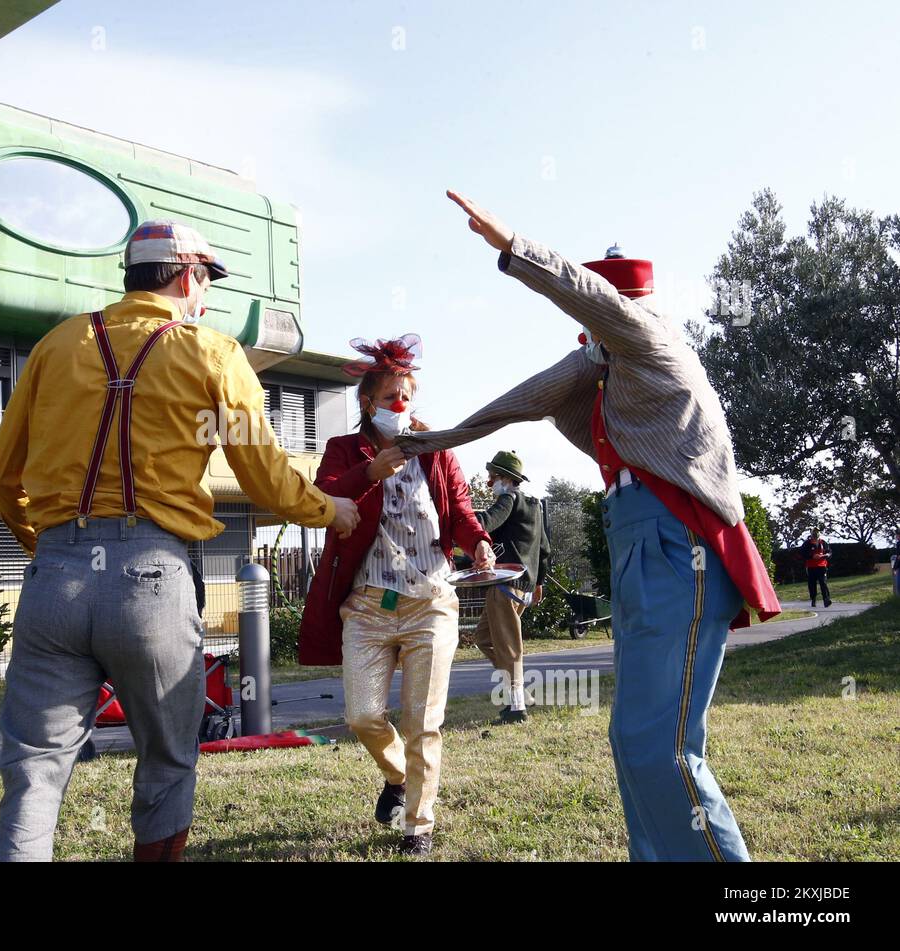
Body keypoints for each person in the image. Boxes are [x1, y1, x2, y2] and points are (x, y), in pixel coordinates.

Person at [397, 191, 781, 862]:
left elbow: (588, 298)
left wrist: (514, 246)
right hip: (637, 543)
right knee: (631, 739)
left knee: (661, 743)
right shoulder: (604, 363)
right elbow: (524, 399)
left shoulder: (648, 337)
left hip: (676, 545)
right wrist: (433, 442)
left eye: (600, 318)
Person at [0, 219, 360, 862]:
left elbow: (0, 480)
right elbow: (265, 480)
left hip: (55, 576)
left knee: (34, 774)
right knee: (166, 760)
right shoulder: (212, 351)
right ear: (188, 275)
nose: (206, 298)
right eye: (207, 283)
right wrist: (331, 511)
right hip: (152, 578)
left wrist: (45, 546)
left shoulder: (57, 344)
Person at [298, 334, 494, 856]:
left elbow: (462, 509)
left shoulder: (436, 450)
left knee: (422, 721)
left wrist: (478, 544)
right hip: (367, 605)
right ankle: (395, 776)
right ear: (367, 402)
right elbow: (326, 496)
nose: (401, 405)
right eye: (390, 397)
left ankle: (418, 825)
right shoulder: (345, 449)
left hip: (431, 599)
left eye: (407, 395)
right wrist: (370, 471)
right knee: (361, 716)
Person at [473, 450, 551, 724]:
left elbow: (487, 521)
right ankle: (519, 690)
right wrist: (539, 583)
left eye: (492, 476)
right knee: (485, 639)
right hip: (523, 586)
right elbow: (543, 549)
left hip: (505, 584)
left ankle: (516, 708)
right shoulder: (535, 506)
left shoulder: (509, 499)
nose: (488, 481)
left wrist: (461, 520)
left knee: (508, 647)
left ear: (505, 478)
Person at [799, 529, 833, 607]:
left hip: (822, 566)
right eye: (814, 532)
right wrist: (812, 556)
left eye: (817, 532)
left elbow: (829, 552)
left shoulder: (823, 542)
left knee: (823, 582)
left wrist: (826, 555)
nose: (816, 534)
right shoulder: (807, 543)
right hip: (811, 567)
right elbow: (802, 553)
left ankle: (826, 599)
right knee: (812, 584)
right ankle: (813, 599)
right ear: (811, 534)